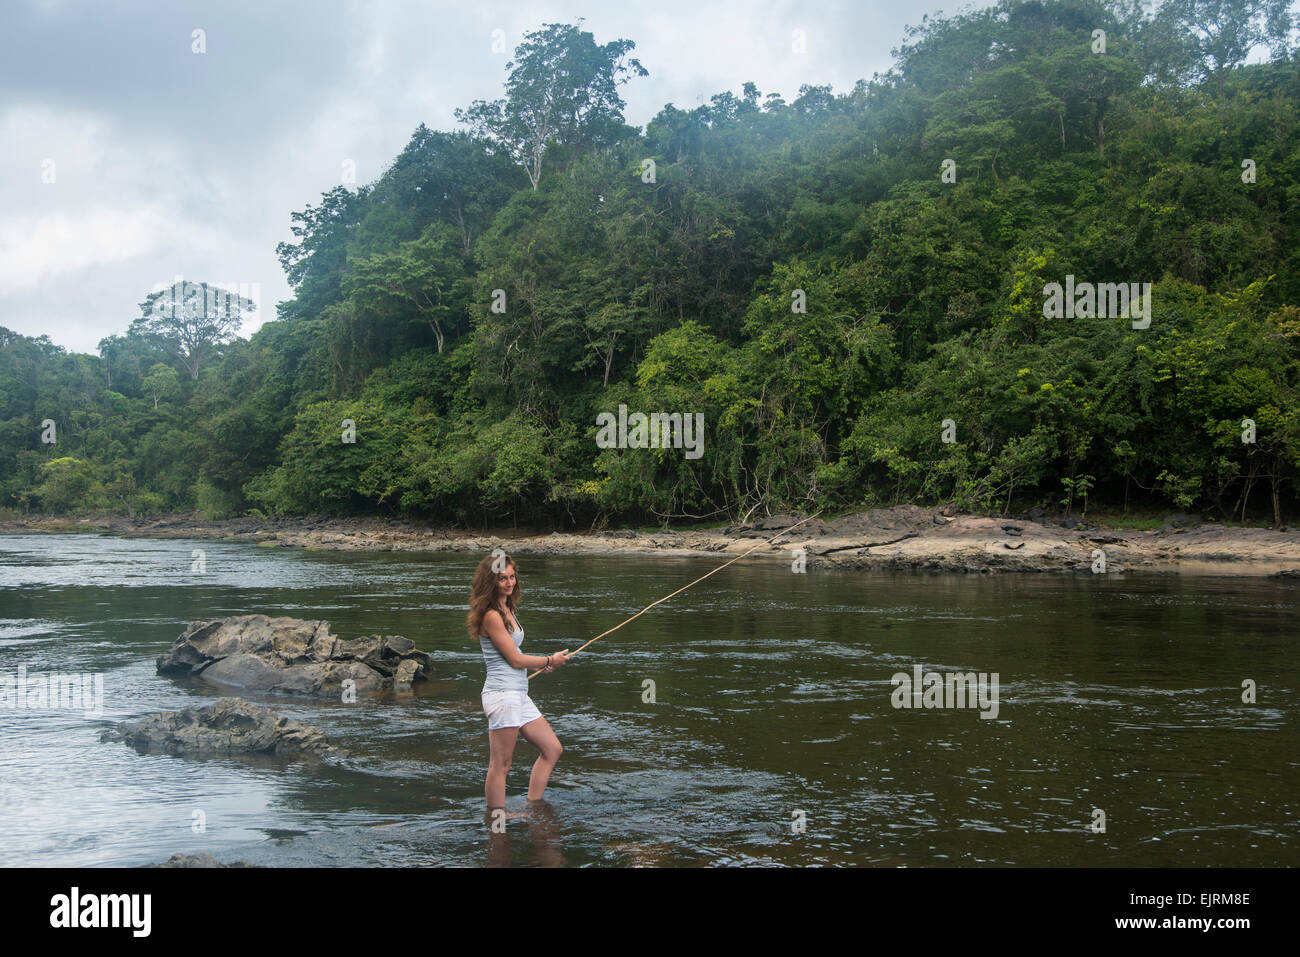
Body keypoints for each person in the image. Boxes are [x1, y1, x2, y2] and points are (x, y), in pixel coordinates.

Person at [467, 551, 570, 813]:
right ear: (491, 581)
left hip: (518, 694)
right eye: (502, 578)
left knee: (552, 749)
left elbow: (517, 657)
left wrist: (542, 664)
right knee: (500, 765)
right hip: (502, 695)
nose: (510, 583)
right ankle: (495, 820)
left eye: (512, 577)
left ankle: (532, 806)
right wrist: (548, 660)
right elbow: (513, 660)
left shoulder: (507, 608)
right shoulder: (491, 615)